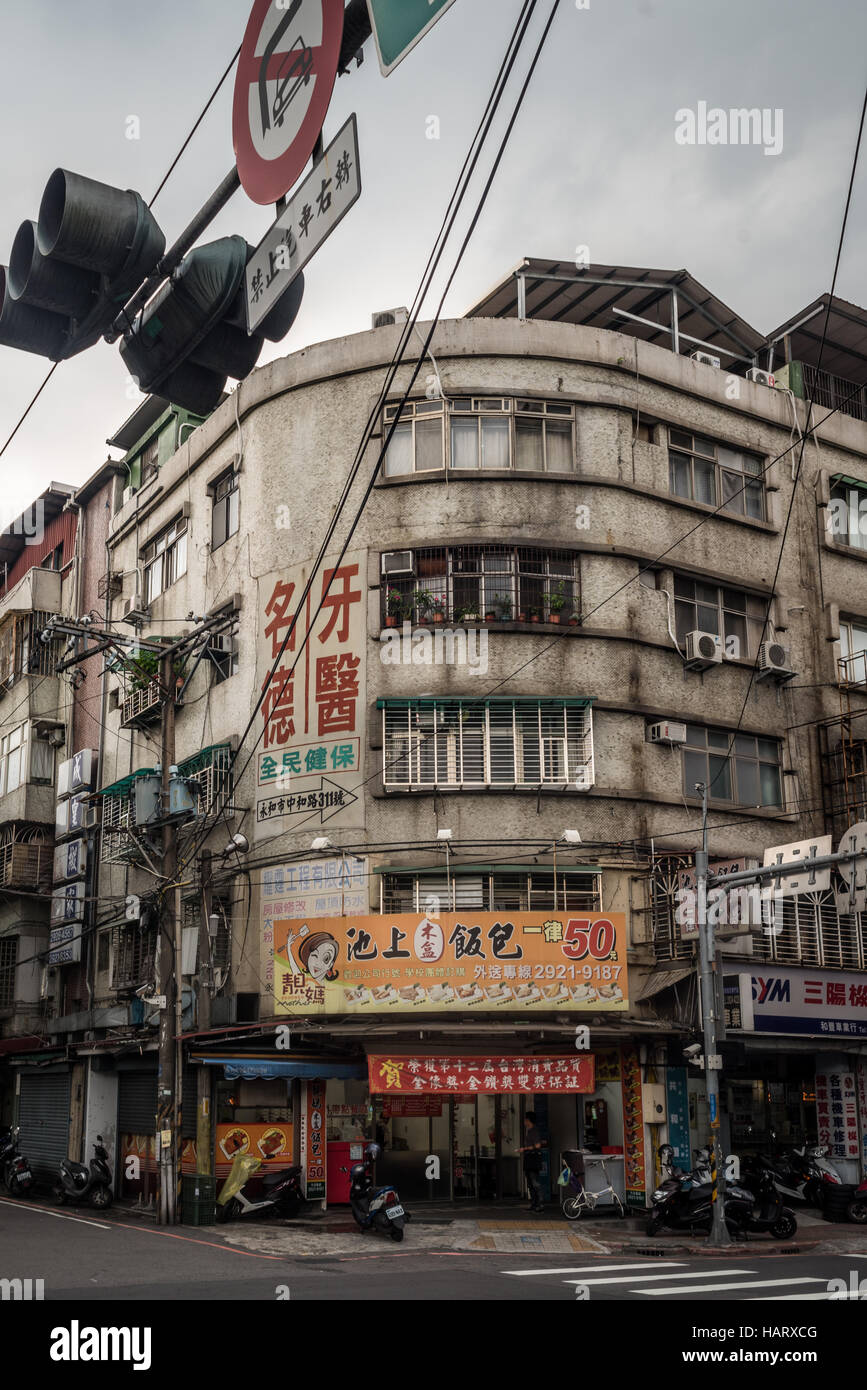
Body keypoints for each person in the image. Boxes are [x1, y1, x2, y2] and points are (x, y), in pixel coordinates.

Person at [517, 1110, 545, 1212]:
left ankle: (540, 1204)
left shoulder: (534, 1131)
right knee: (529, 1183)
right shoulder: (529, 1131)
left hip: (533, 1159)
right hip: (528, 1158)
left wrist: (524, 1149)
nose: (524, 1121)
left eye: (525, 1119)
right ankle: (534, 1203)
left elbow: (538, 1145)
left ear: (528, 1120)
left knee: (535, 1182)